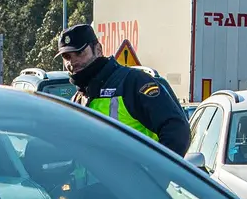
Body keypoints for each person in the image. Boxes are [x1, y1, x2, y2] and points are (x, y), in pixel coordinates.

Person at [58, 23, 192, 154]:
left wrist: (153, 172)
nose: (72, 62)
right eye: (66, 56)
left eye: (80, 52)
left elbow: (177, 132)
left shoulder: (133, 83)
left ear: (98, 49)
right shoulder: (78, 98)